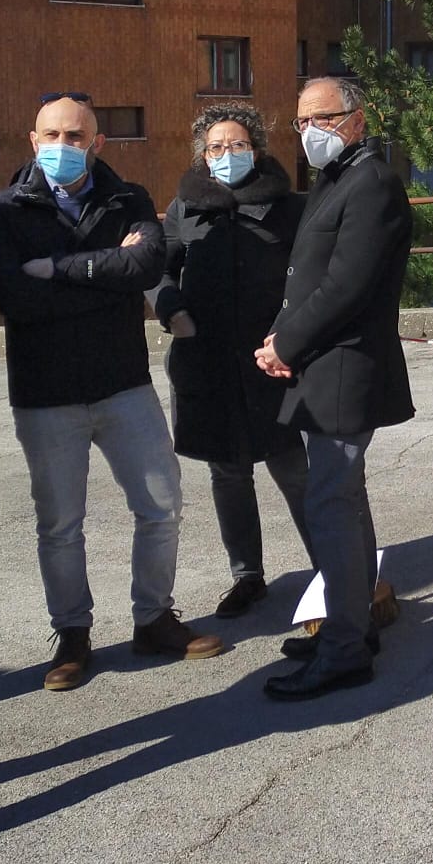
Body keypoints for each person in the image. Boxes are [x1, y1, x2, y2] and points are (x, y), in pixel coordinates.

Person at [0, 93, 223, 693]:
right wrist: (103, 270)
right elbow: (17, 301)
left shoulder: (128, 198)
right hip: (46, 393)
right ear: (32, 139)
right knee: (60, 523)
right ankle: (72, 636)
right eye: (52, 135)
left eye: (77, 136)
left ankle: (154, 618)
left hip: (122, 383)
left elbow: (143, 271)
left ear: (98, 143)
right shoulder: (5, 210)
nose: (64, 146)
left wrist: (59, 268)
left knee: (161, 502)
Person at [254, 76, 413, 700]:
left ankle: (345, 647)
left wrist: (286, 343)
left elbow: (346, 286)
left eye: (323, 118)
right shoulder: (337, 180)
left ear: (357, 118)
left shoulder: (372, 183)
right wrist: (280, 336)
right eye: (301, 122)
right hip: (322, 364)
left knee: (332, 504)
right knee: (344, 500)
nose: (310, 131)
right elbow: (307, 278)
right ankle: (355, 623)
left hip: (345, 368)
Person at [154, 102, 312, 617]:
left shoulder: (289, 207)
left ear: (257, 150)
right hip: (209, 362)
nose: (226, 155)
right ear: (202, 155)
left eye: (237, 145)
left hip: (274, 359)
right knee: (229, 474)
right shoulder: (184, 207)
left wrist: (287, 334)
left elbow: (306, 278)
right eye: (216, 147)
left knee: (293, 468)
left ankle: (332, 567)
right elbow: (161, 271)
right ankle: (247, 576)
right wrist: (172, 309)